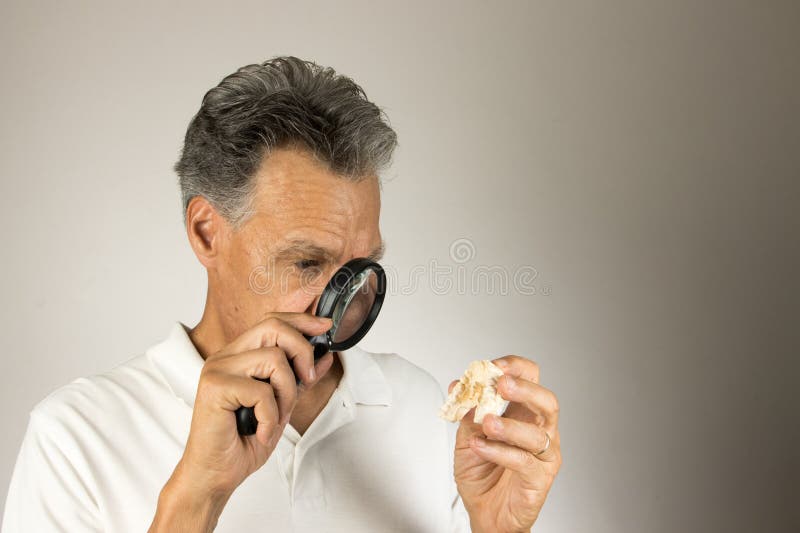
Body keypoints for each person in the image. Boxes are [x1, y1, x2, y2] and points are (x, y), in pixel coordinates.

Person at [1, 56, 562, 532]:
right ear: (205, 232)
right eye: (306, 262)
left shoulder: (424, 411)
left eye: (361, 266)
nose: (344, 304)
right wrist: (196, 495)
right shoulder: (75, 436)